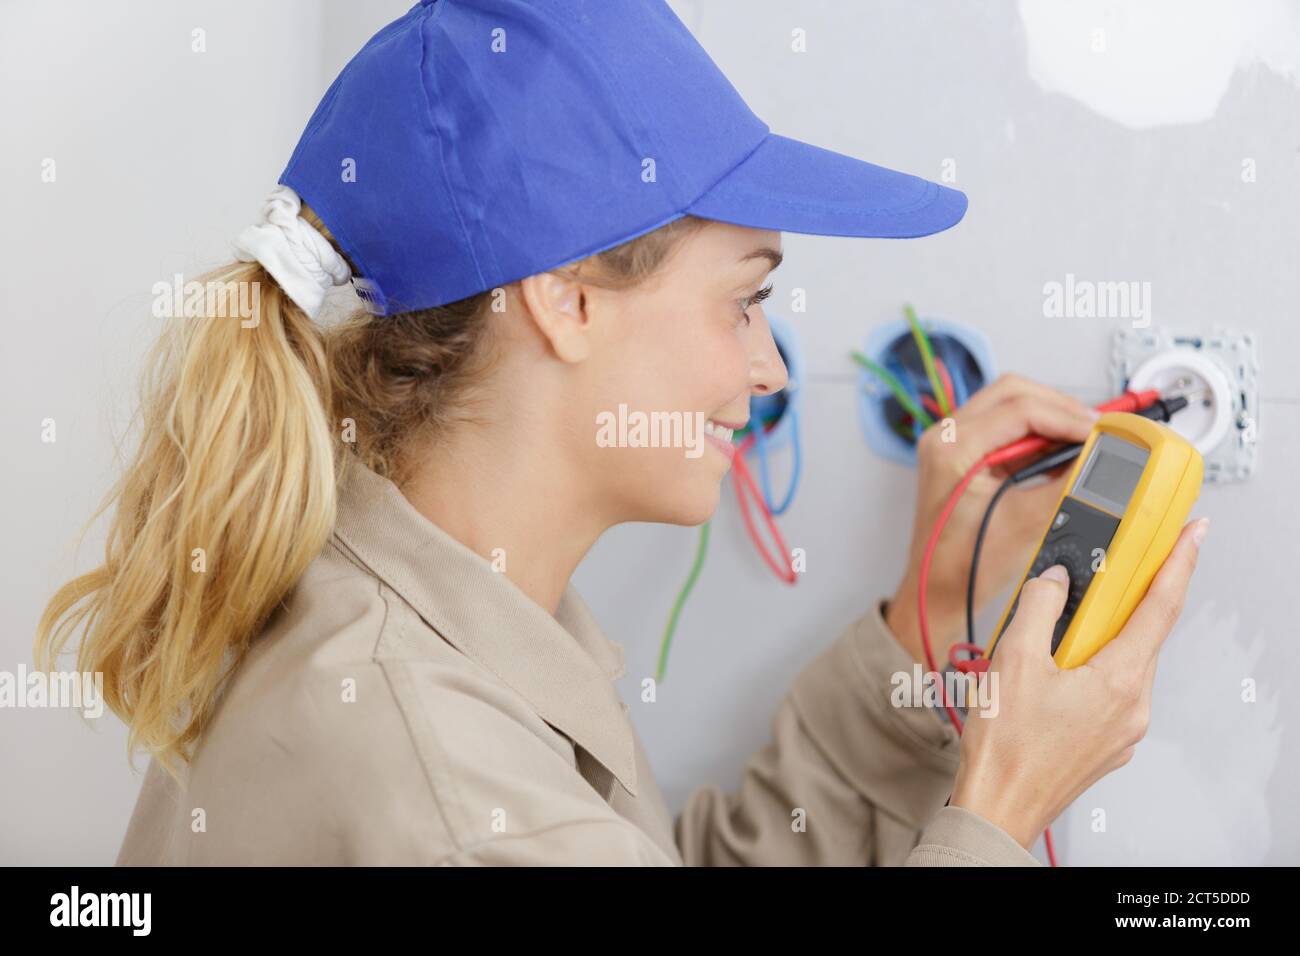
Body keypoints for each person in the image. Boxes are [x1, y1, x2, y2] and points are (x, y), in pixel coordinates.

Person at [36, 0, 1206, 866]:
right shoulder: (432, 771)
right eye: (745, 299)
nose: (762, 365)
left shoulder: (420, 594)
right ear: (566, 294)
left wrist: (915, 630)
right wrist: (1001, 800)